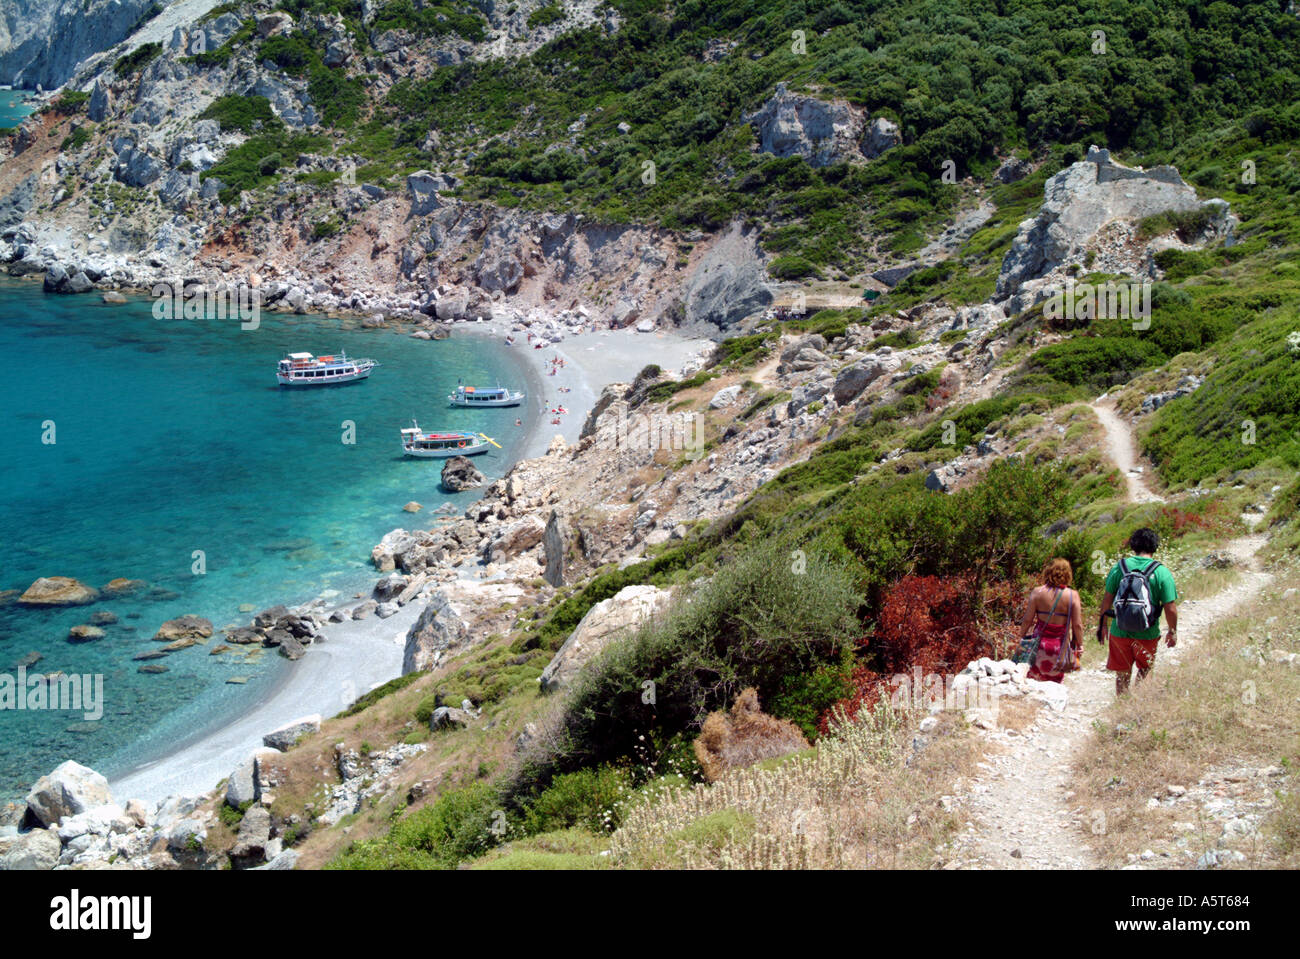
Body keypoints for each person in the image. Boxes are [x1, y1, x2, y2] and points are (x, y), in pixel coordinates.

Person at [1097, 528, 1179, 695]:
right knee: (1145, 668)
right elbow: (1170, 607)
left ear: (1133, 546)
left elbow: (1107, 599)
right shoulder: (1161, 571)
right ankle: (1138, 707)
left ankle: (1122, 707)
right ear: (1154, 546)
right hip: (1147, 633)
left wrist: (1103, 625)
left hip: (1120, 631)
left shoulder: (1119, 567)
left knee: (1122, 673)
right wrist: (1172, 631)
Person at [1017, 558, 1083, 683]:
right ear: (1068, 574)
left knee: (1034, 682)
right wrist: (1080, 644)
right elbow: (1077, 625)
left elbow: (1027, 620)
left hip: (1038, 645)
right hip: (1060, 647)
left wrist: (1021, 638)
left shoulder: (1037, 592)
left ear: (1048, 572)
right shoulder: (1072, 595)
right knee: (1055, 685)